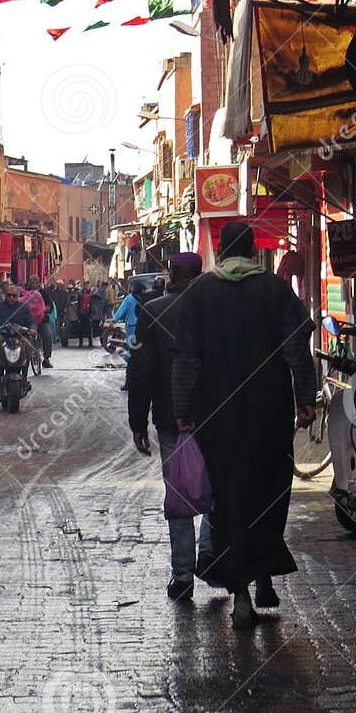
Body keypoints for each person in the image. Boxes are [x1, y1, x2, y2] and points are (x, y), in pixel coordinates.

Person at [171, 222, 315, 628]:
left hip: (216, 415)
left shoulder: (200, 293)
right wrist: (305, 398)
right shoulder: (275, 290)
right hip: (270, 411)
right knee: (268, 492)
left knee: (229, 500)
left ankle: (242, 598)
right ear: (253, 251)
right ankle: (263, 573)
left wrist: (182, 408)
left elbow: (187, 358)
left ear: (219, 249)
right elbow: (296, 350)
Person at [127, 253, 204, 599]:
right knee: (219, 485)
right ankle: (214, 555)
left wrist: (137, 421)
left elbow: (141, 371)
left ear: (171, 274)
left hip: (171, 418)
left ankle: (184, 573)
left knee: (179, 493)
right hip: (214, 413)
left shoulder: (152, 311)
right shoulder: (214, 309)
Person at [0, 283, 36, 385]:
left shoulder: (24, 308)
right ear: (5, 295)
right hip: (3, 336)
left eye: (14, 295)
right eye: (9, 295)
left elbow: (31, 321)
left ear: (18, 296)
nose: (11, 298)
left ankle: (24, 375)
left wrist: (33, 328)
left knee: (28, 345)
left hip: (20, 336)